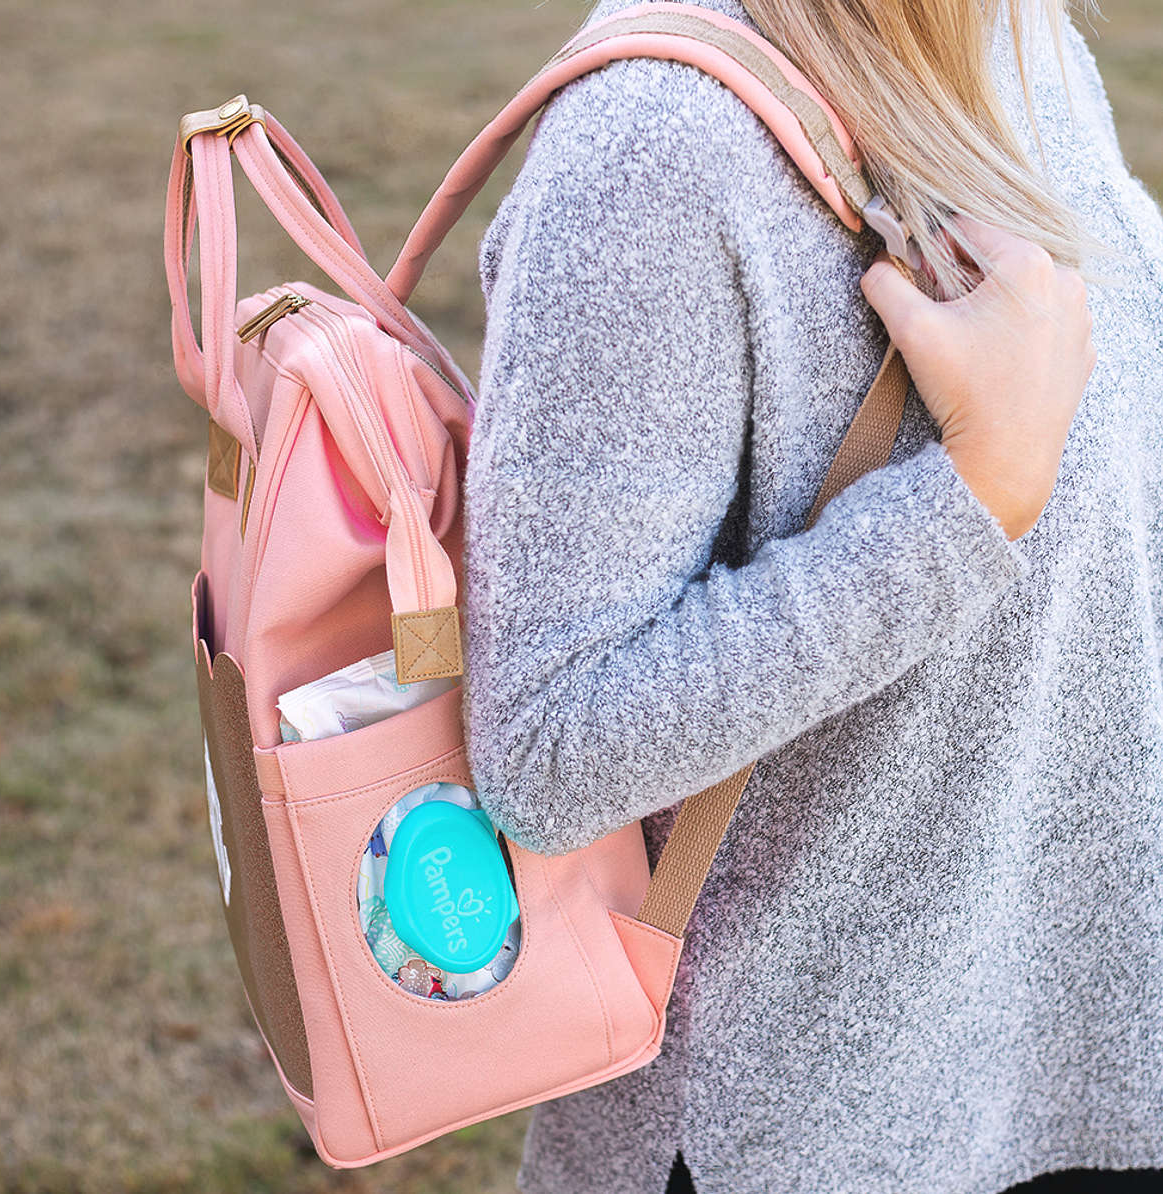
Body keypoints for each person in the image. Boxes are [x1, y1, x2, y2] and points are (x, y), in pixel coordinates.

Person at [461, 0, 1163, 1191]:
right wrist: (977, 491)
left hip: (1088, 1055)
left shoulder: (1019, 35)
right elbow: (550, 749)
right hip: (817, 1133)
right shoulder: (657, 143)